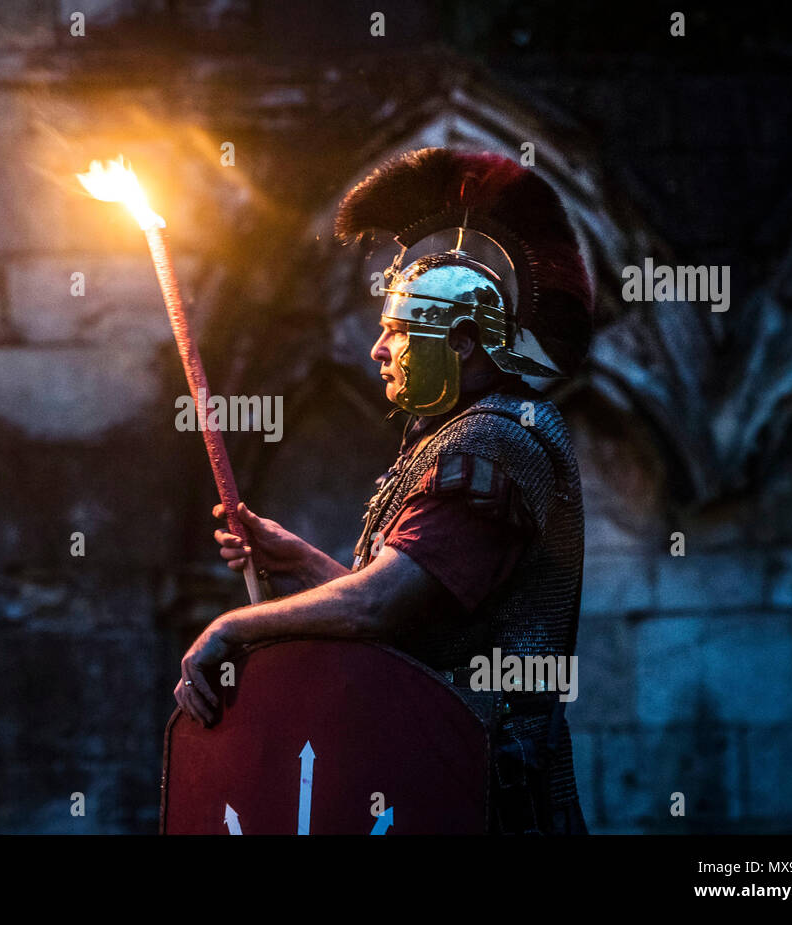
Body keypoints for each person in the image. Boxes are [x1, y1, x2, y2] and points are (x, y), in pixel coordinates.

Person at [172, 148, 592, 834]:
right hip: (445, 774)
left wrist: (233, 625)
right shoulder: (463, 433)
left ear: (460, 342)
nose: (378, 350)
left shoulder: (494, 440)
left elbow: (377, 609)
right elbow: (414, 628)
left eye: (397, 331)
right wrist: (300, 560)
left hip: (491, 797)